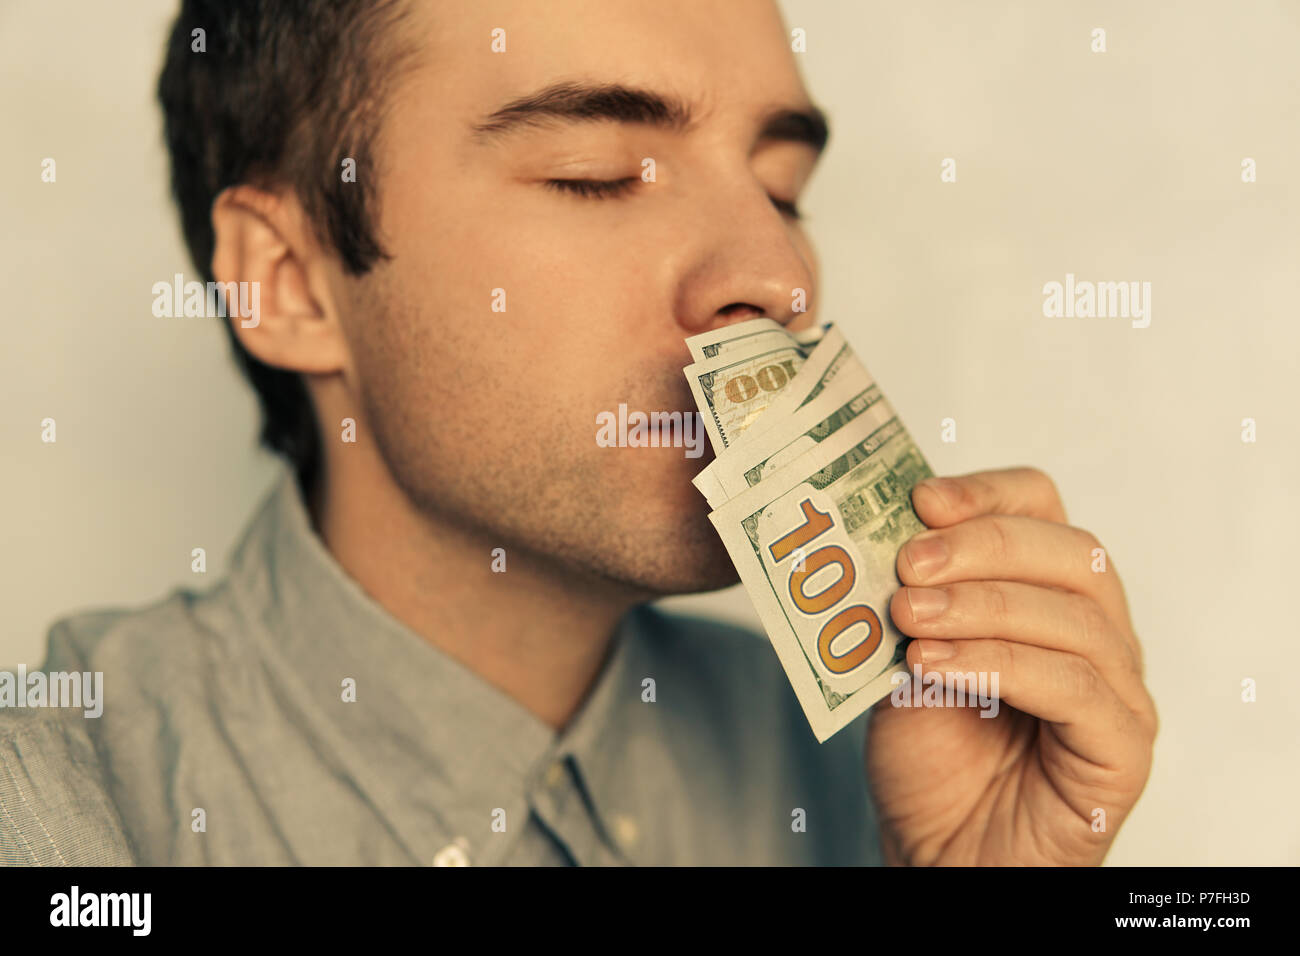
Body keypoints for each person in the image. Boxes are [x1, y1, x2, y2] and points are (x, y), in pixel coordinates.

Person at [0, 0, 1156, 866]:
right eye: (597, 175)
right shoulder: (58, 798)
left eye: (782, 186)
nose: (775, 274)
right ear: (291, 282)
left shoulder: (882, 758)